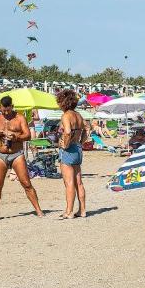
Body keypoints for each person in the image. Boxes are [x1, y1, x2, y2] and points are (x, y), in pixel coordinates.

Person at [0, 95, 43, 221]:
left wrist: (15, 136)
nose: (5, 113)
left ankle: (38, 209)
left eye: (8, 110)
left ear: (12, 106)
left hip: (17, 154)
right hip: (0, 155)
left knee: (26, 183)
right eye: (3, 110)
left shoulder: (19, 118)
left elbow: (27, 135)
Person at [56, 89, 87, 220]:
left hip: (69, 150)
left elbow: (67, 132)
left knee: (69, 183)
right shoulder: (79, 115)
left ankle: (69, 211)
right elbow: (86, 131)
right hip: (78, 148)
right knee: (78, 182)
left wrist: (65, 145)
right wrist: (80, 142)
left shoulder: (66, 115)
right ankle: (83, 210)